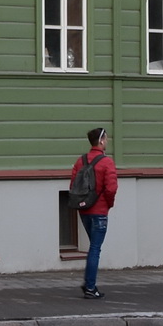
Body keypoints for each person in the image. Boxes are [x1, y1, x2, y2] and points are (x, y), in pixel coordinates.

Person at [70, 126, 117, 299]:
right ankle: (90, 287)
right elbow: (111, 188)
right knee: (95, 249)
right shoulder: (107, 162)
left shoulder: (80, 161)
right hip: (99, 211)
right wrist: (108, 205)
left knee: (93, 247)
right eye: (106, 139)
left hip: (84, 210)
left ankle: (89, 284)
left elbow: (73, 185)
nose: (107, 142)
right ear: (102, 141)